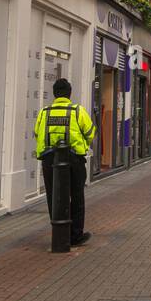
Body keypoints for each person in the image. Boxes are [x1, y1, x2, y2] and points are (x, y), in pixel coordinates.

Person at [34, 78, 96, 247]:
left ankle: (59, 233)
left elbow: (36, 133)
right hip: (74, 158)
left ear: (54, 94)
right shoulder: (77, 111)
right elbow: (90, 132)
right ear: (69, 94)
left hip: (49, 160)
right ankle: (75, 235)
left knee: (54, 196)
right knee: (77, 197)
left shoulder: (44, 112)